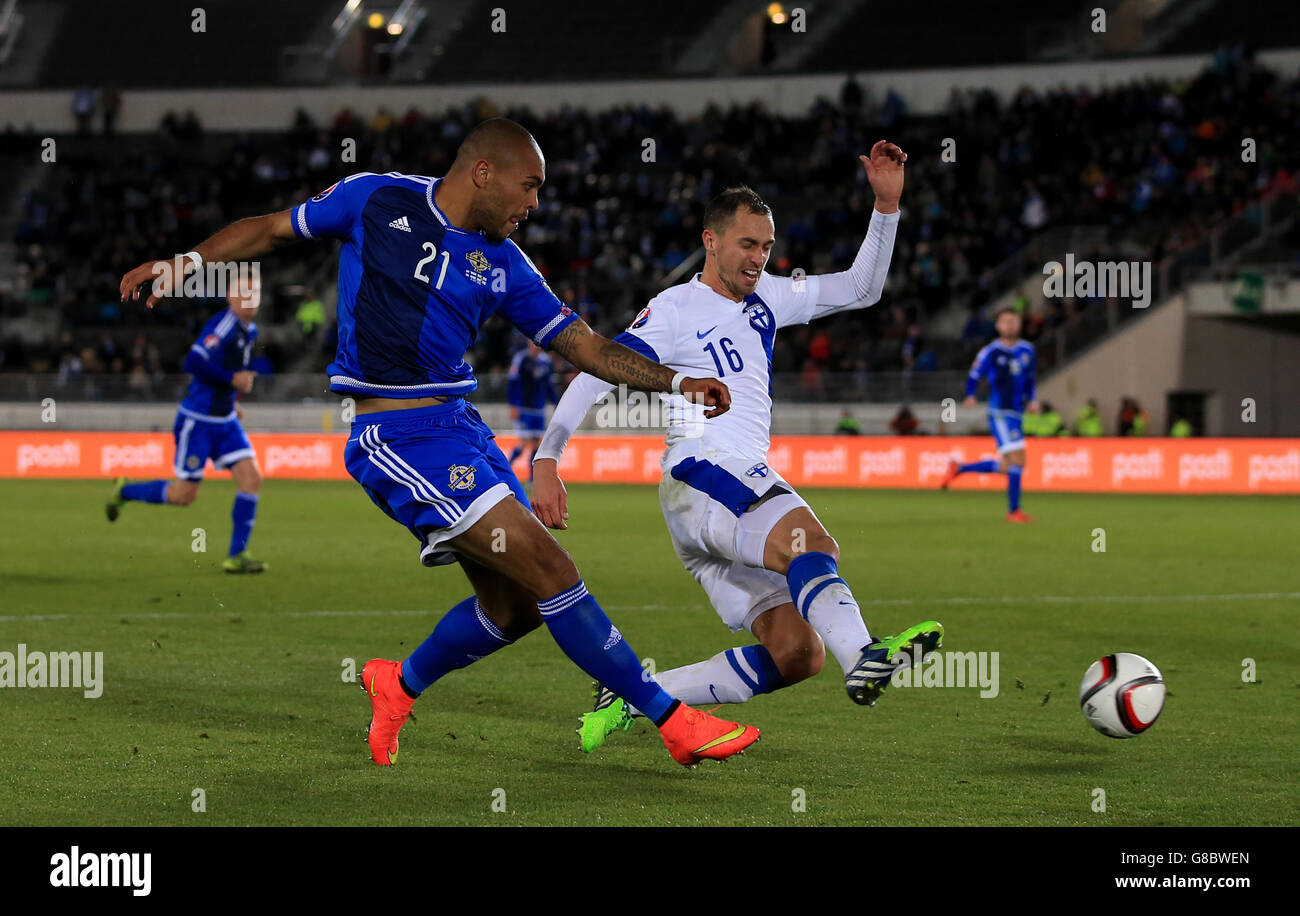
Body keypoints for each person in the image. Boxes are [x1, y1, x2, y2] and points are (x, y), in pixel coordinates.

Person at [118, 117, 758, 769]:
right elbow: (272, 228)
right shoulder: (376, 198)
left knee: (516, 606)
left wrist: (675, 380)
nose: (535, 204)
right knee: (550, 569)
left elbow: (585, 345)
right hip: (395, 435)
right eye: (528, 185)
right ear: (484, 172)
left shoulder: (505, 263)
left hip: (461, 430)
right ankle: (672, 720)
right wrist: (184, 265)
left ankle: (397, 684)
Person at [531, 143, 943, 752]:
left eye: (767, 246)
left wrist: (886, 205)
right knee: (812, 542)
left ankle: (634, 693)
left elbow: (861, 289)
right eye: (748, 244)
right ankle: (864, 654)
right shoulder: (674, 309)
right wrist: (546, 458)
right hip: (703, 470)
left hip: (720, 496)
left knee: (798, 652)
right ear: (712, 241)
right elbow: (596, 371)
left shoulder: (769, 299)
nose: (759, 258)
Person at [106, 283, 266, 573]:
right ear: (230, 297)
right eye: (244, 293)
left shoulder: (249, 330)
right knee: (183, 496)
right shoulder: (225, 325)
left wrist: (232, 399)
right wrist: (232, 381)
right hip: (199, 422)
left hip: (225, 420)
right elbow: (194, 361)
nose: (251, 300)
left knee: (252, 479)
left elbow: (227, 371)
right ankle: (126, 491)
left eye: (255, 293)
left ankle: (237, 555)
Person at [939, 307, 1038, 522]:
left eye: (1014, 321)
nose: (1010, 325)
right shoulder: (990, 352)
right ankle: (1014, 511)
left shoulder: (1028, 350)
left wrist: (1032, 399)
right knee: (1019, 459)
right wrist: (970, 394)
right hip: (999, 411)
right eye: (1006, 321)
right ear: (998, 326)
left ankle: (960, 468)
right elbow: (975, 375)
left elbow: (1030, 379)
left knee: (1006, 466)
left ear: (1019, 324)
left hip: (1017, 412)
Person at [505, 340, 557, 481]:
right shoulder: (520, 359)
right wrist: (513, 405)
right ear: (528, 342)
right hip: (523, 407)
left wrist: (556, 403)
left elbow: (549, 386)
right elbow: (513, 383)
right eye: (533, 343)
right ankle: (505, 472)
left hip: (539, 408)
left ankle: (531, 478)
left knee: (537, 443)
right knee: (524, 443)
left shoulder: (545, 362)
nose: (536, 346)